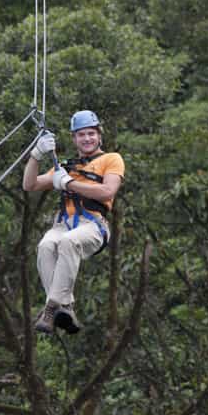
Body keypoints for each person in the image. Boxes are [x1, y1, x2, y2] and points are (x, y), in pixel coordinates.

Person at [22, 110, 125, 334]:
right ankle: (65, 307)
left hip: (93, 225)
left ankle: (50, 308)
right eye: (81, 135)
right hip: (64, 223)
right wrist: (36, 155)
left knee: (68, 242)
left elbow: (107, 192)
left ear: (99, 136)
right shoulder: (66, 166)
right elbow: (29, 185)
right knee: (46, 246)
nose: (87, 139)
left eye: (91, 134)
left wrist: (69, 184)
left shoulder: (111, 159)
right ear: (74, 138)